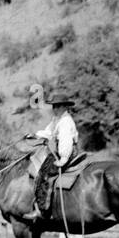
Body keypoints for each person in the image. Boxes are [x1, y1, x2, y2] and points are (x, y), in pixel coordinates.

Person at [23, 93, 79, 221]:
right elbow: (49, 132)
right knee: (41, 166)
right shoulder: (57, 119)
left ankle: (43, 210)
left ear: (65, 107)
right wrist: (36, 135)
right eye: (54, 106)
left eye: (58, 106)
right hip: (60, 150)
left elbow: (66, 141)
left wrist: (64, 158)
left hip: (67, 151)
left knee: (44, 174)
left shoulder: (65, 121)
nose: (55, 108)